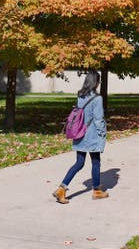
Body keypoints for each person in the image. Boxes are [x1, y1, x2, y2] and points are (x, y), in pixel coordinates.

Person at [52, 70, 109, 203]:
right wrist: (103, 133)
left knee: (79, 163)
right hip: (92, 135)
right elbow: (98, 119)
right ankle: (97, 191)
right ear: (96, 82)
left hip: (79, 133)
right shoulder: (97, 98)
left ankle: (61, 189)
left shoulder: (81, 95)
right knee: (96, 162)